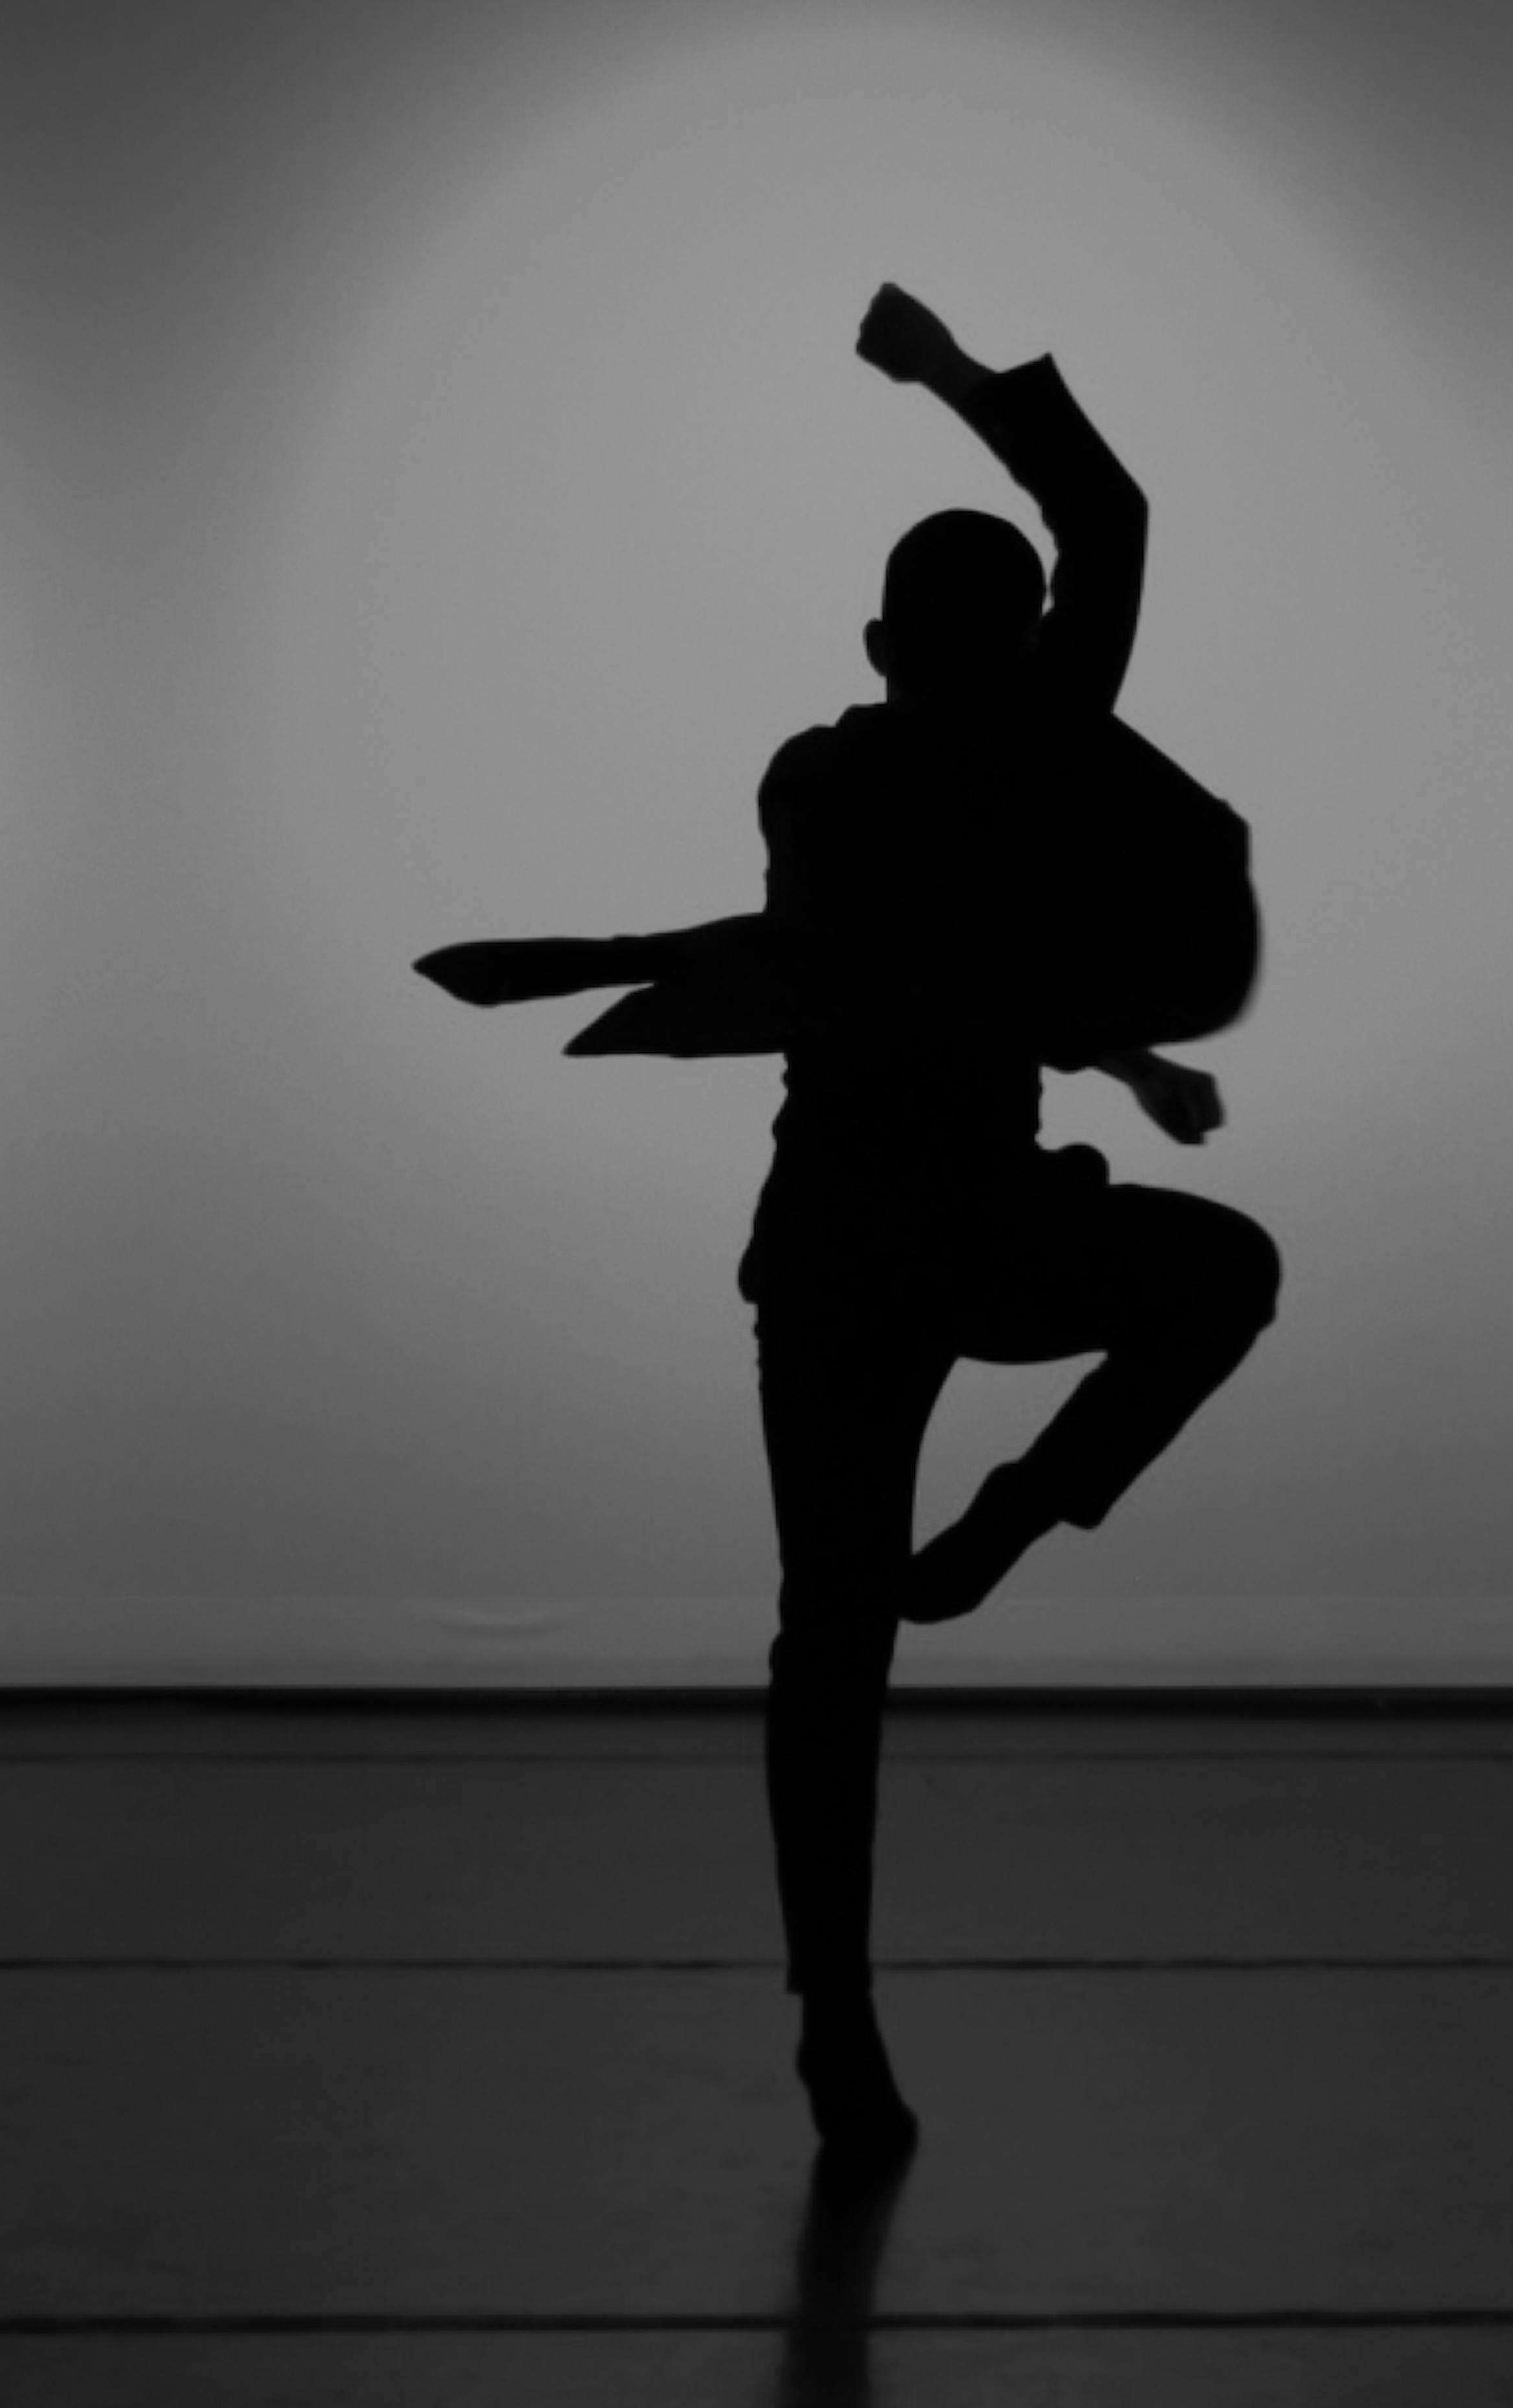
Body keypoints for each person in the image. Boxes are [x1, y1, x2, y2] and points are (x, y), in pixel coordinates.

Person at [416, 286, 1280, 2162]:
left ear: (882, 638)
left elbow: (919, 954)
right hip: (886, 1241)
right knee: (848, 1617)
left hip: (907, 1230)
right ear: (949, 646)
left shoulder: (858, 765)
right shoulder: (935, 765)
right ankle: (840, 2018)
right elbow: (920, 954)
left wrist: (1112, 1052)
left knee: (839, 1630)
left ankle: (984, 1564)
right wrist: (956, 380)